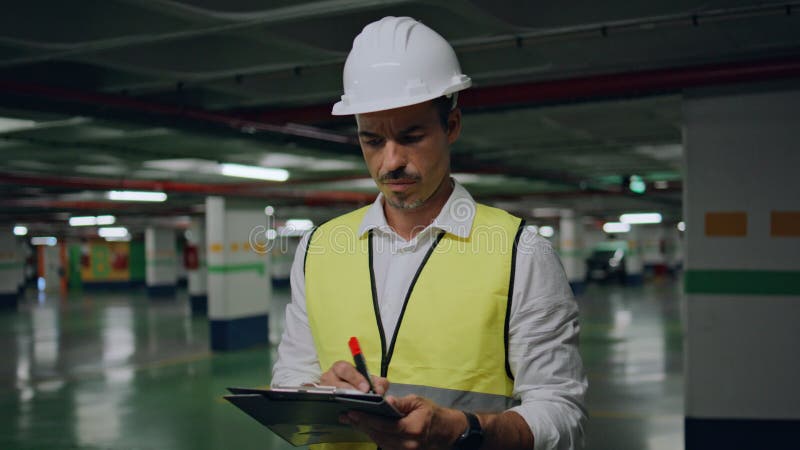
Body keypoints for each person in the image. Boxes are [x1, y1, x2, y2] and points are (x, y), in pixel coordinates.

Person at [272, 16, 587, 450]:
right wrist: (321, 396)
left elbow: (561, 413)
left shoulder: (520, 253)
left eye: (411, 136)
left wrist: (463, 429)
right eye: (372, 142)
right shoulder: (318, 248)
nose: (390, 163)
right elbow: (290, 380)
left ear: (452, 125)